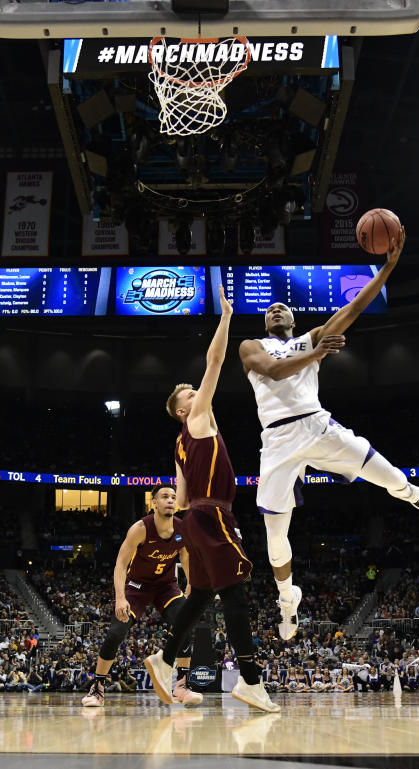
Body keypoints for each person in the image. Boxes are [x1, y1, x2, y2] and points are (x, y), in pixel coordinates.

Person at [237, 231, 419, 641]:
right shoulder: (251, 345)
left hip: (315, 424)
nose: (276, 309)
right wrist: (318, 354)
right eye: (270, 309)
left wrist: (386, 269)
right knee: (275, 535)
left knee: (379, 468)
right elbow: (274, 371)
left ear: (293, 322)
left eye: (282, 308)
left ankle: (407, 491)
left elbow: (353, 308)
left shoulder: (310, 337)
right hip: (276, 440)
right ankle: (286, 599)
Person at [144, 286, 279, 713]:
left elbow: (179, 498)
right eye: (189, 395)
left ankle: (164, 659)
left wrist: (187, 528)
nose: (197, 394)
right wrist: (225, 317)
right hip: (214, 515)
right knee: (235, 593)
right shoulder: (198, 420)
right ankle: (252, 682)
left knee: (201, 594)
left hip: (194, 520)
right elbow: (216, 361)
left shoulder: (180, 445)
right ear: (184, 410)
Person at [81, 484, 201, 708]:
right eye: (165, 496)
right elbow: (120, 564)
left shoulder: (182, 528)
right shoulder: (140, 528)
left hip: (167, 586)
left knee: (185, 624)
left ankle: (182, 685)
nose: (170, 500)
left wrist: (192, 583)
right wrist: (120, 597)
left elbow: (186, 557)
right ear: (153, 503)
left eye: (174, 497)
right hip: (137, 586)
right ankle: (97, 688)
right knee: (116, 633)